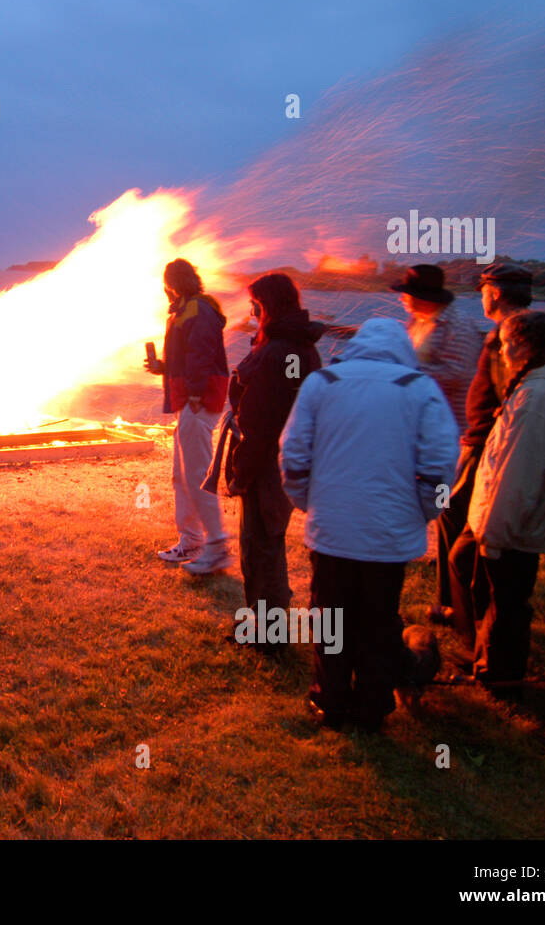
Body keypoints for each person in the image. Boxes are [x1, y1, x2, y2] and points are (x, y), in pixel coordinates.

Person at [280, 318, 458, 732]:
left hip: (332, 532)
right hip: (388, 537)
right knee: (379, 621)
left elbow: (292, 455)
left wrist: (309, 503)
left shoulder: (322, 383)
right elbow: (440, 464)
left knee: (332, 620)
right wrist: (423, 511)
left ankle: (330, 701)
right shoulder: (420, 389)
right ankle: (373, 706)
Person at [457, 310, 545, 698]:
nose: (503, 351)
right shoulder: (534, 387)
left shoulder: (539, 398)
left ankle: (501, 679)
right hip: (506, 522)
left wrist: (496, 534)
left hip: (511, 525)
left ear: (524, 345)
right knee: (486, 584)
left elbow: (523, 474)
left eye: (507, 344)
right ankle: (486, 662)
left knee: (507, 602)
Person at [434, 263, 534, 637]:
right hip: (486, 442)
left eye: (483, 291)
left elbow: (509, 399)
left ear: (493, 294)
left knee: (456, 520)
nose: (481, 298)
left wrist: (485, 442)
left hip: (486, 445)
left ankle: (458, 608)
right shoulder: (519, 331)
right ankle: (468, 603)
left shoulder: (507, 336)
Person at [221, 274, 323, 625]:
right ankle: (269, 622)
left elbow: (264, 423)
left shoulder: (281, 350)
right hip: (283, 459)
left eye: (257, 305)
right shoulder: (296, 346)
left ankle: (267, 631)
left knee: (260, 546)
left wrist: (242, 473)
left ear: (269, 306)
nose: (252, 310)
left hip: (267, 465)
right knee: (268, 541)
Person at [143, 258, 231, 574]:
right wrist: (164, 367)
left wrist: (194, 394)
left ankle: (217, 545)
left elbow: (201, 355)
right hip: (189, 399)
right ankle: (191, 541)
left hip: (198, 401)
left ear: (172, 283)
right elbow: (189, 356)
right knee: (183, 477)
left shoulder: (197, 310)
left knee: (197, 477)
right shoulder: (187, 309)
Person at [391, 264, 483, 432]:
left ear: (420, 296)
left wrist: (401, 372)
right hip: (423, 421)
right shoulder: (416, 321)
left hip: (450, 425)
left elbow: (456, 374)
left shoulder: (458, 326)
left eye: (405, 294)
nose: (401, 299)